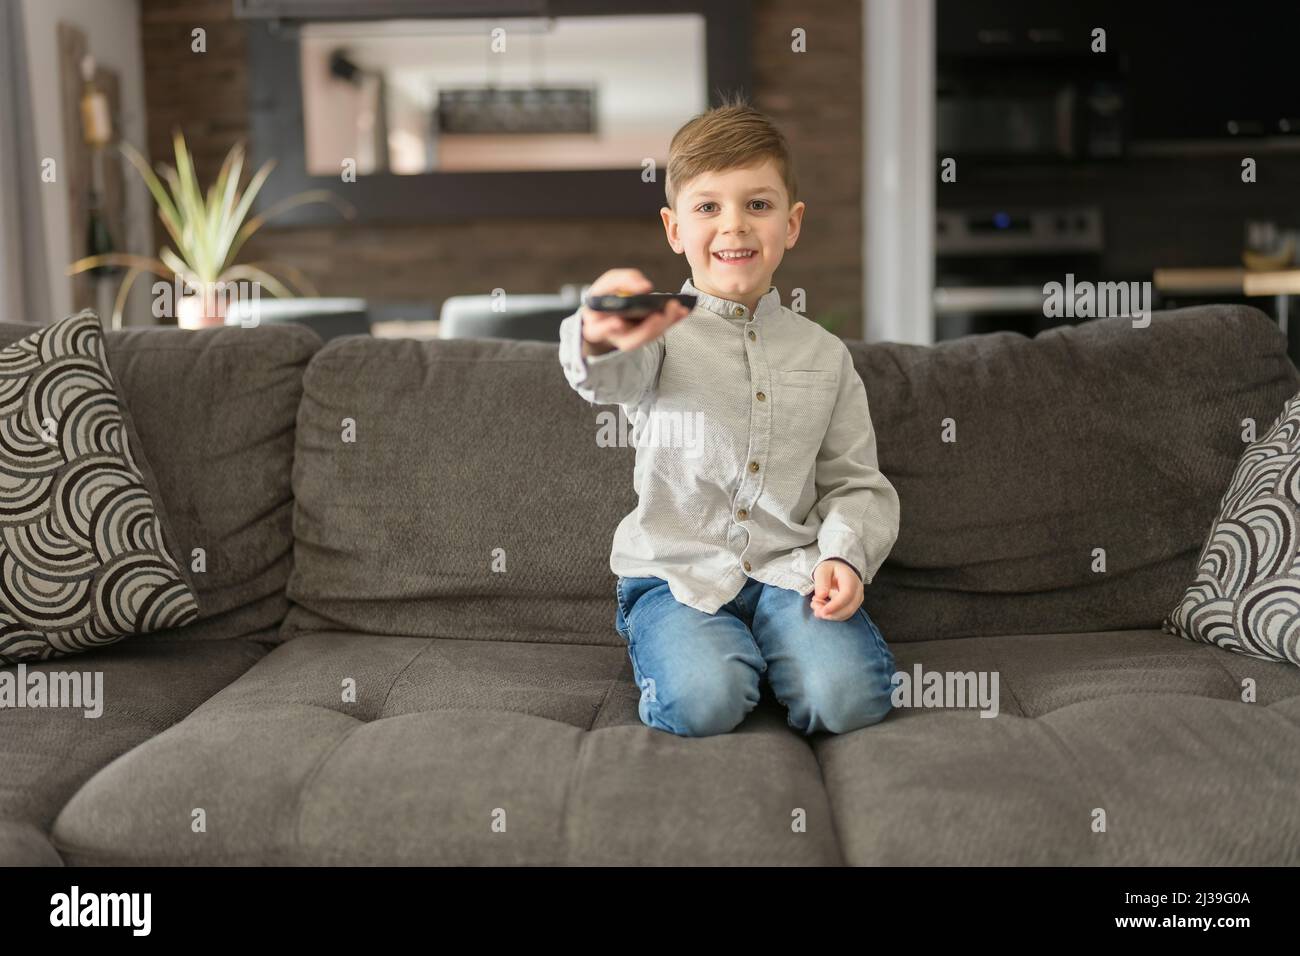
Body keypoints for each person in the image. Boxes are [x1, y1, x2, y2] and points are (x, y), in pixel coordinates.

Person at [557, 98, 900, 737]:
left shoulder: (826, 356)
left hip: (789, 574)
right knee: (703, 702)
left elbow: (857, 484)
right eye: (708, 207)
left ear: (792, 224)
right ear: (674, 229)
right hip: (675, 578)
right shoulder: (654, 331)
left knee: (847, 700)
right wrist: (599, 326)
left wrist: (845, 557)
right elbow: (602, 377)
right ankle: (724, 661)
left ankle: (781, 656)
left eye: (758, 205)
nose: (734, 226)